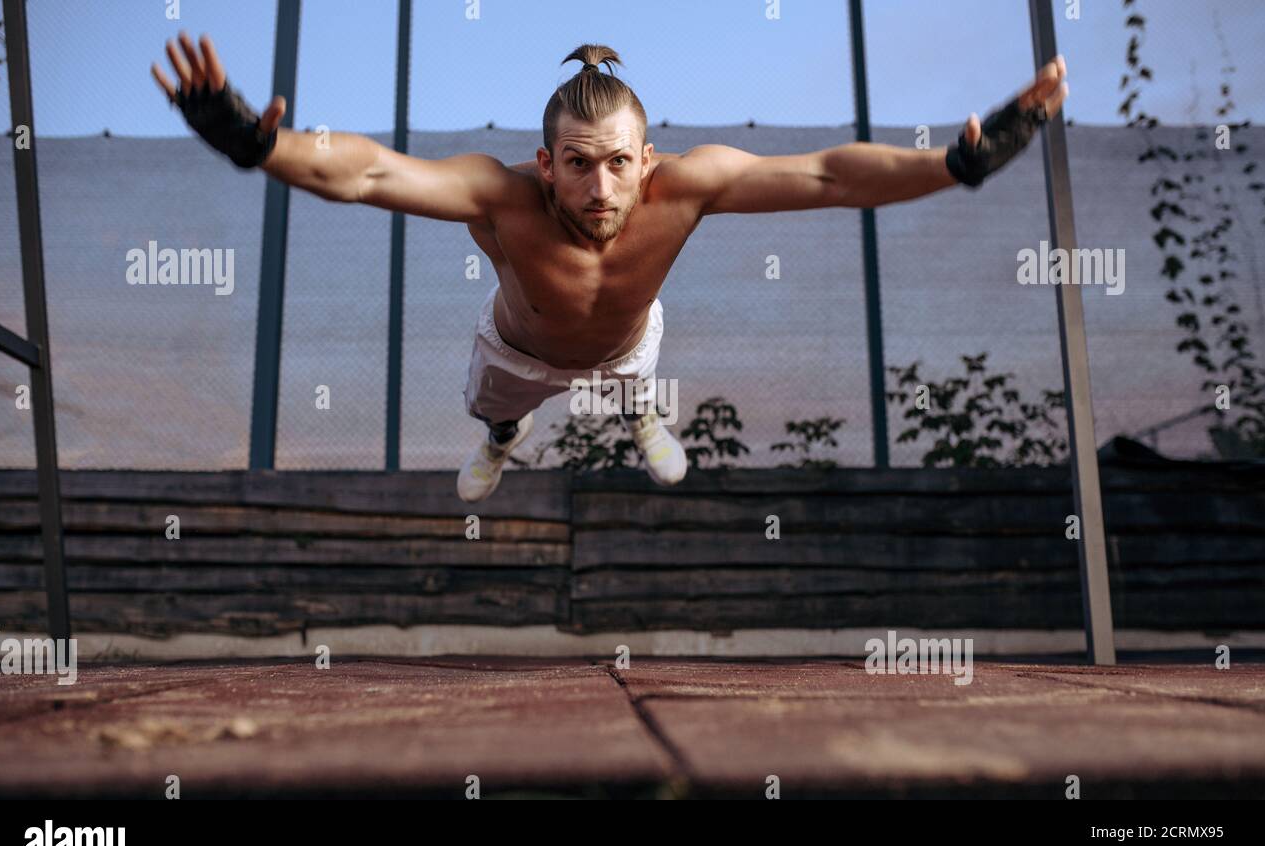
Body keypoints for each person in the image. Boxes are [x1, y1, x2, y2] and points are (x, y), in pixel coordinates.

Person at [153, 35, 1068, 501]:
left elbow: (830, 176)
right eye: (578, 164)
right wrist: (256, 145)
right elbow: (370, 173)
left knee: (632, 375)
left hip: (628, 344)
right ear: (545, 163)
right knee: (493, 411)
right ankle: (501, 441)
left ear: (648, 158)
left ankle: (639, 415)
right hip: (517, 351)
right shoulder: (499, 197)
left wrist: (956, 166)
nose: (600, 189)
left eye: (620, 163)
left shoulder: (687, 187)